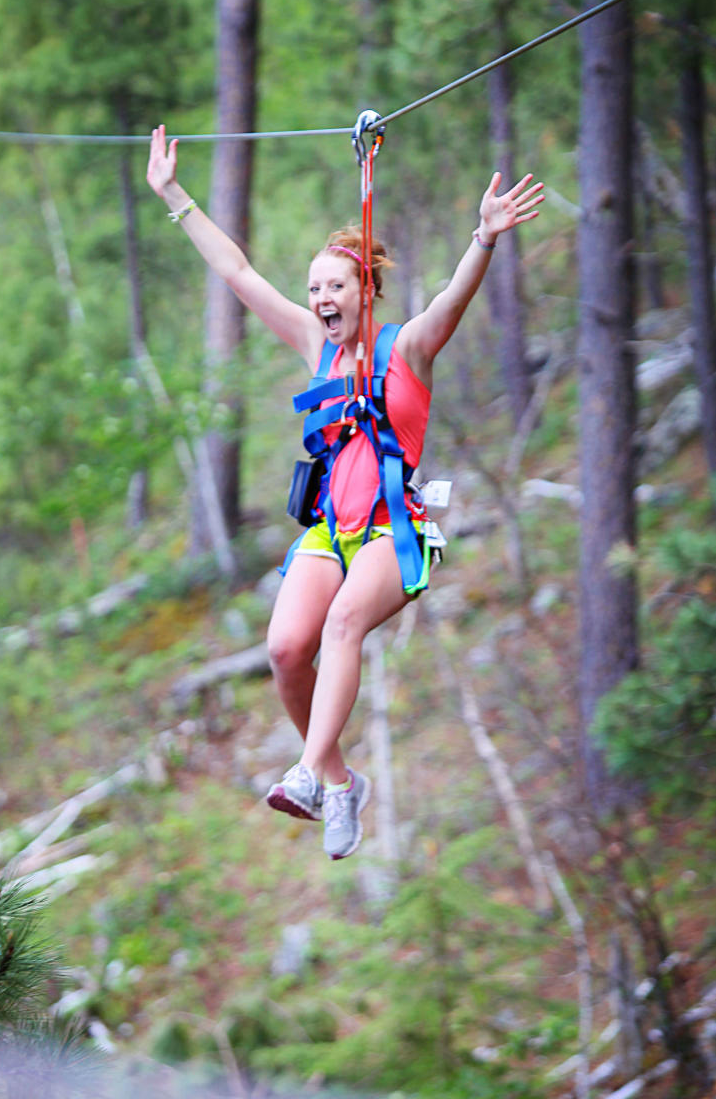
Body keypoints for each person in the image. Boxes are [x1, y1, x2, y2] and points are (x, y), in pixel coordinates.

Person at [147, 124, 544, 860]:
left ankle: (305, 770)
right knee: (283, 647)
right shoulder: (315, 346)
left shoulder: (409, 348)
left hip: (397, 528)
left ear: (364, 289)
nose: (319, 298)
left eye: (333, 285)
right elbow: (237, 273)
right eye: (312, 289)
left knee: (339, 631)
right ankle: (337, 780)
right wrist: (174, 196)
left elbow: (455, 299)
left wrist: (482, 240)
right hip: (333, 527)